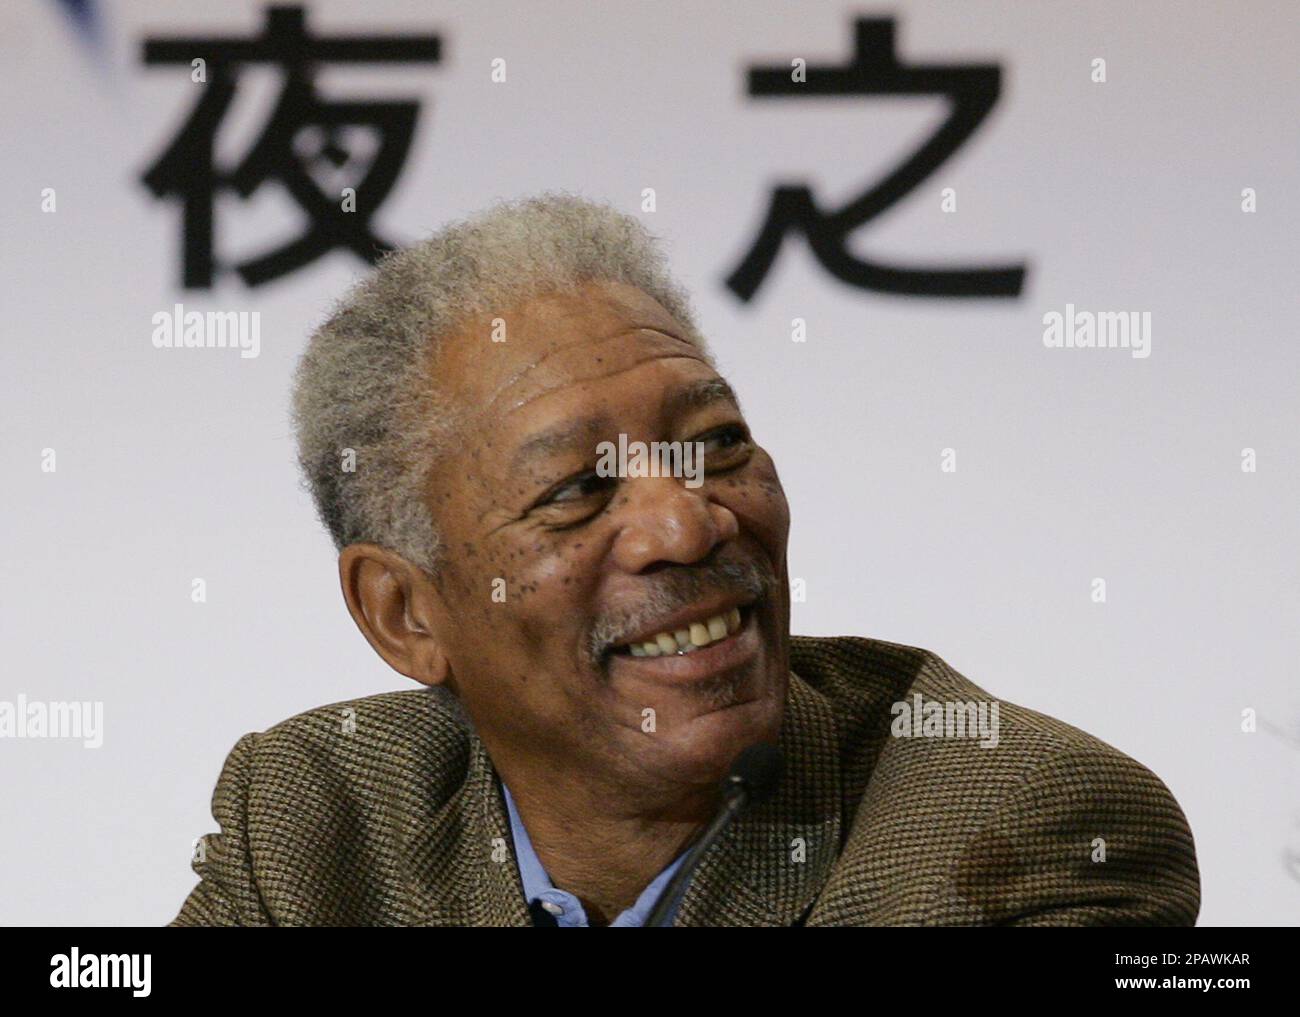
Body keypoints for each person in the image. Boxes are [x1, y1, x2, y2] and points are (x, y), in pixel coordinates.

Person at [170, 193, 1199, 926]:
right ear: (404, 613)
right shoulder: (314, 814)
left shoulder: (1022, 830)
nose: (691, 525)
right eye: (579, 489)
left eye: (715, 445)